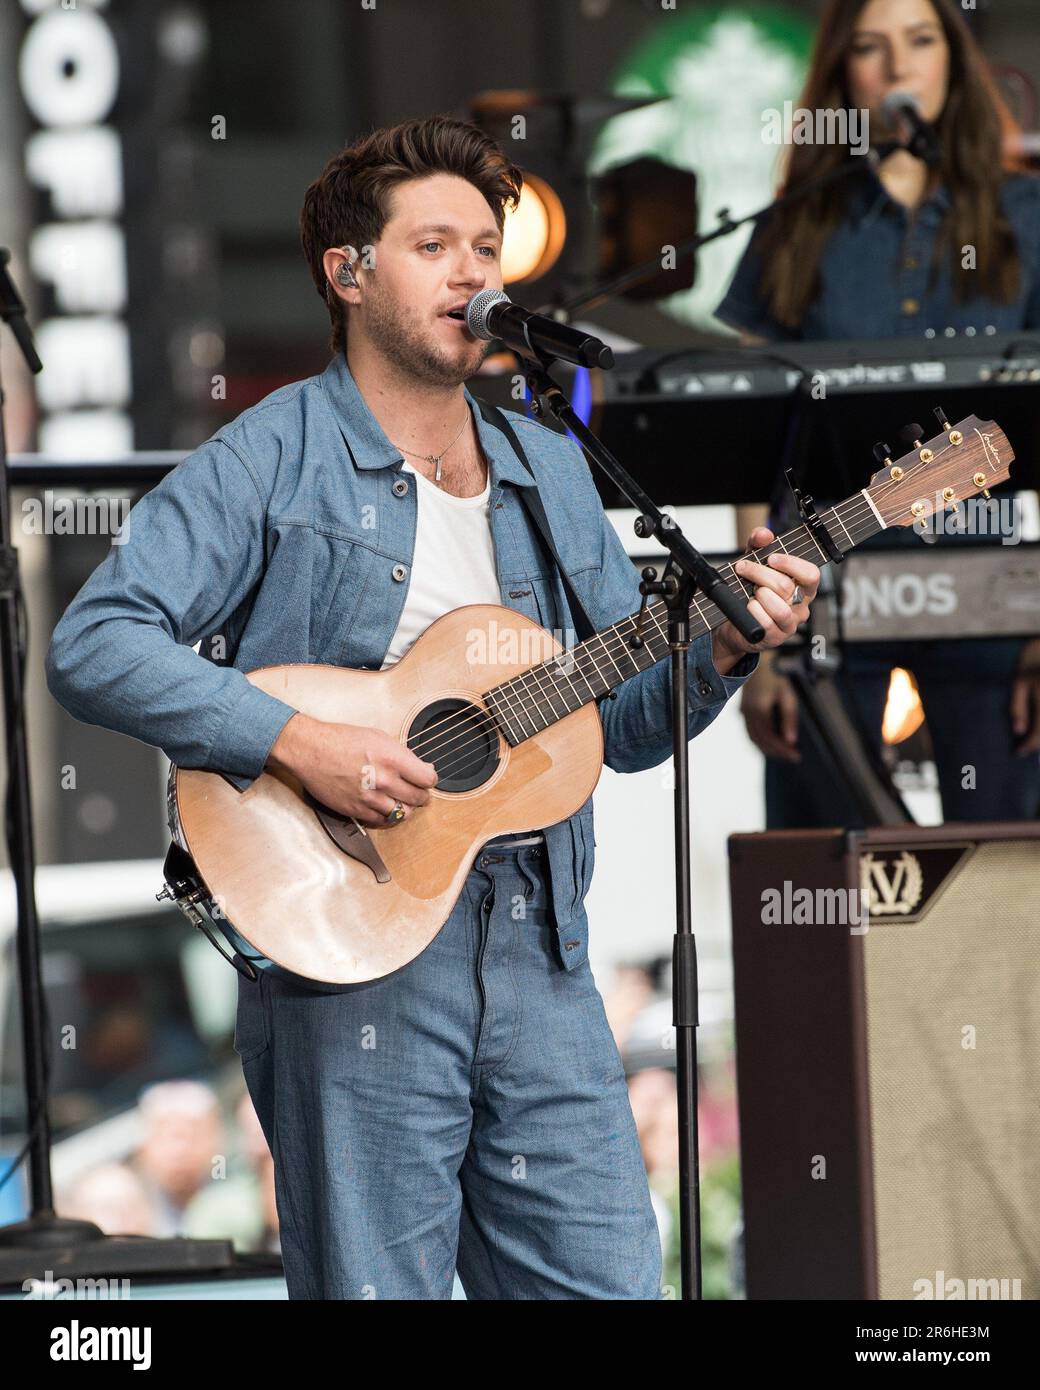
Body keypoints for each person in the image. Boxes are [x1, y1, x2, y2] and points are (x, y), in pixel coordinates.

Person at [46, 115, 821, 1300]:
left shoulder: (550, 460)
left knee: (608, 1287)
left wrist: (719, 645)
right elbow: (94, 641)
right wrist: (302, 741)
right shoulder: (269, 457)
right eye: (434, 246)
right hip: (351, 943)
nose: (473, 272)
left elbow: (616, 730)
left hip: (544, 950)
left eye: (486, 246)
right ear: (346, 274)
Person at [715, 0, 1040, 828]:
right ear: (843, 75)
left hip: (992, 587)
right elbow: (756, 443)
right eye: (871, 46)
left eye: (922, 40)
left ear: (953, 63)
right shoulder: (798, 221)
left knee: (997, 853)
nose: (898, 65)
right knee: (826, 863)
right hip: (825, 582)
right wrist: (760, 647)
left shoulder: (1025, 216)